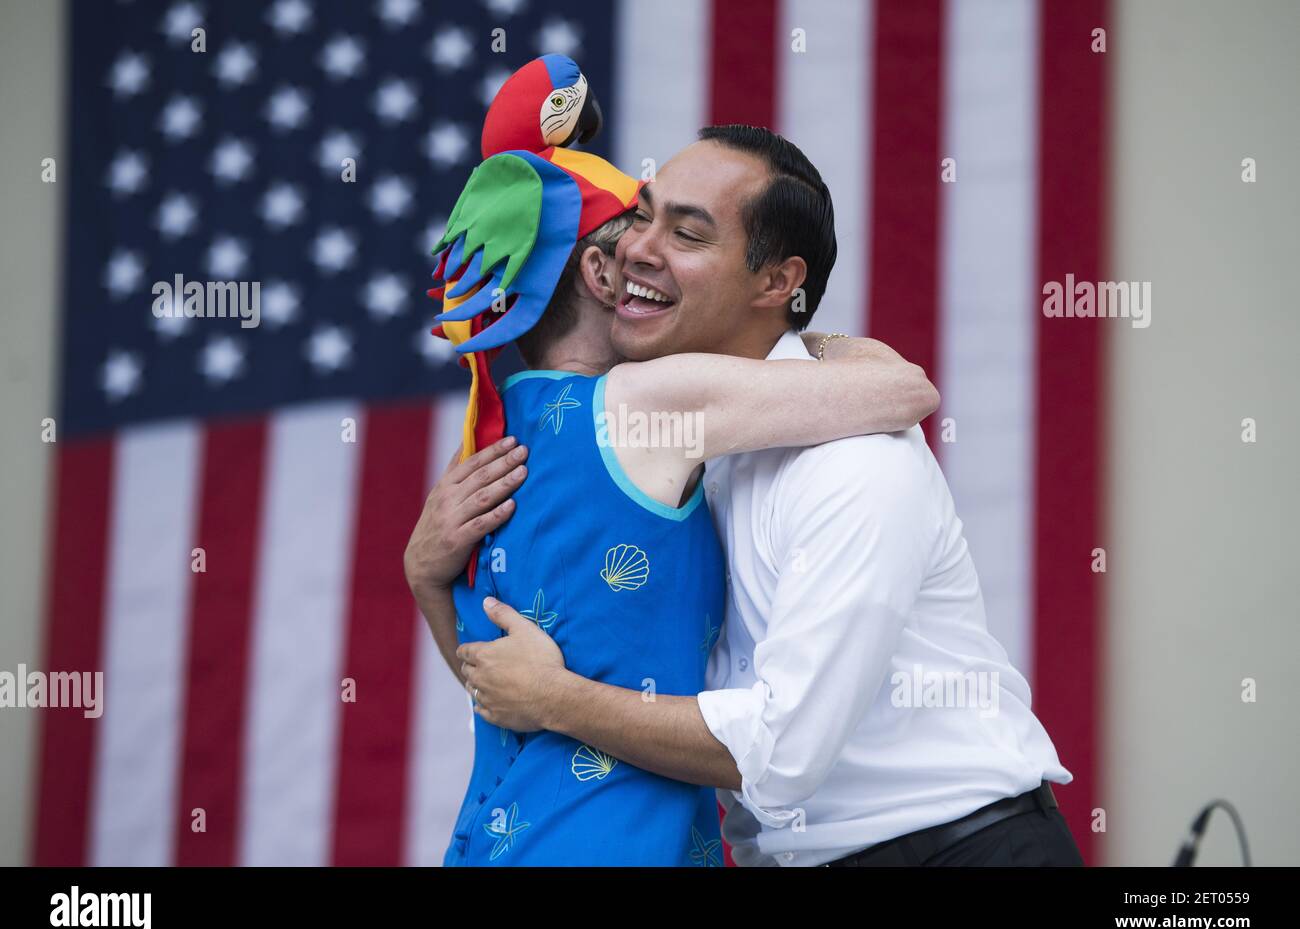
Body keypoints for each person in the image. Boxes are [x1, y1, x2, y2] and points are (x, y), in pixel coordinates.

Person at [444, 124, 1085, 867]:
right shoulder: (656, 452)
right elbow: (509, 681)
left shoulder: (854, 460)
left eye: (686, 233)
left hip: (957, 850)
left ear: (778, 283)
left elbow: (783, 752)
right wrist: (430, 569)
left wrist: (558, 700)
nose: (636, 249)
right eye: (642, 215)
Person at [406, 59, 939, 866]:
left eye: (683, 234)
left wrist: (423, 578)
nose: (650, 254)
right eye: (639, 230)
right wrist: (813, 337)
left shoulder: (504, 435)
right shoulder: (650, 401)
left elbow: (500, 686)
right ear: (598, 271)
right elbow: (901, 391)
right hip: (615, 843)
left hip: (500, 835)